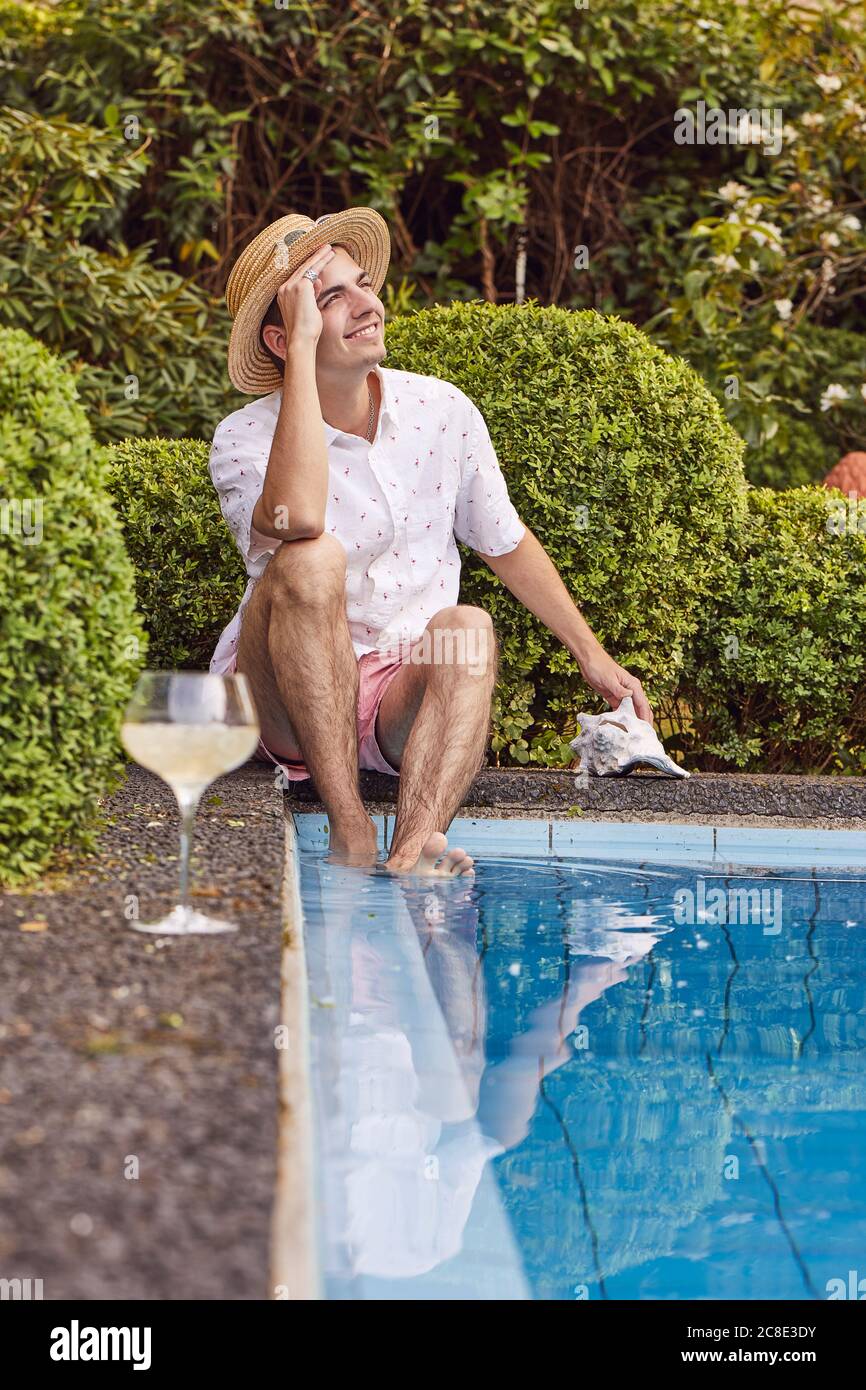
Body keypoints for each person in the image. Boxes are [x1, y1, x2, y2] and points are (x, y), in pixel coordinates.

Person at [208, 207, 652, 877]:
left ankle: (413, 852)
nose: (367, 304)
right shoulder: (241, 439)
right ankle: (349, 827)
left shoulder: (441, 410)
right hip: (284, 694)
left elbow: (502, 540)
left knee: (468, 626)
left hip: (398, 690)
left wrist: (592, 655)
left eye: (363, 284)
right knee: (312, 556)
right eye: (331, 298)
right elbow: (296, 517)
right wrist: (302, 353)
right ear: (281, 337)